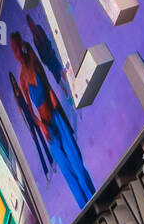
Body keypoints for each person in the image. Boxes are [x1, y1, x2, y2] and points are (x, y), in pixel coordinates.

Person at [10, 31, 95, 208]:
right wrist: (41, 125)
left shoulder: (33, 61)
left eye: (18, 48)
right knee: (67, 170)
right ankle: (85, 206)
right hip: (47, 127)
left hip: (57, 118)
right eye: (14, 51)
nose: (17, 53)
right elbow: (30, 111)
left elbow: (47, 85)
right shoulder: (21, 79)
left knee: (77, 164)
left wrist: (26, 45)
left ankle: (94, 197)